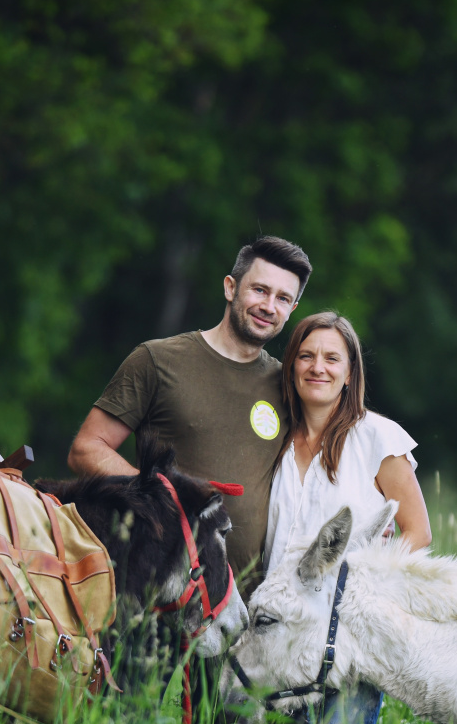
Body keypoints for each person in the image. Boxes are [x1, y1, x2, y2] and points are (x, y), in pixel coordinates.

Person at [67, 235, 312, 586]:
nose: (269, 306)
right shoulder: (156, 359)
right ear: (231, 288)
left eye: (283, 298)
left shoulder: (290, 385)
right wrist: (159, 499)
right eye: (259, 290)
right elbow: (86, 449)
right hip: (165, 592)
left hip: (250, 607)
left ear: (292, 309)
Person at [266, 311, 430, 724]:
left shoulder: (378, 438)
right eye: (307, 355)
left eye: (332, 358)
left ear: (350, 371)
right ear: (291, 364)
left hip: (349, 637)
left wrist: (360, 597)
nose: (318, 366)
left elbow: (417, 533)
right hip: (282, 634)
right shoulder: (272, 438)